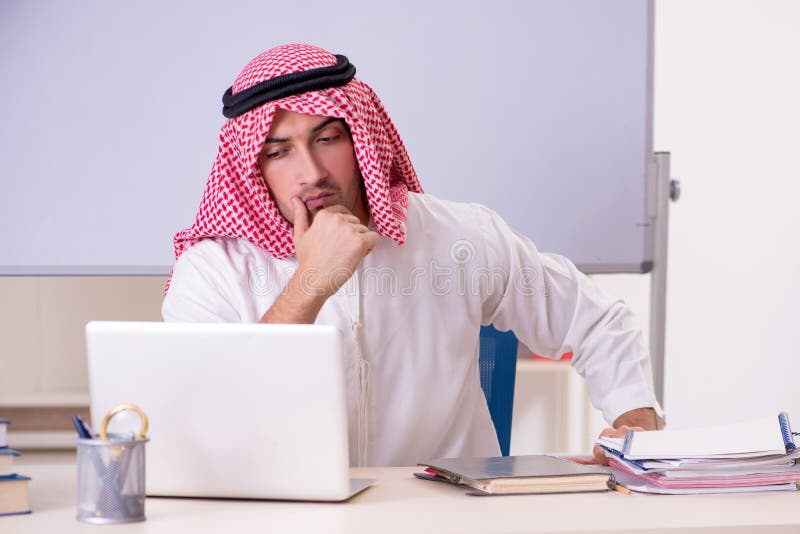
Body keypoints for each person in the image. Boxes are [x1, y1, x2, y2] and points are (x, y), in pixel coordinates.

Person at [162, 44, 663, 467]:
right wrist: (311, 281)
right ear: (253, 166)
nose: (311, 172)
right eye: (279, 151)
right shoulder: (212, 273)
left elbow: (594, 321)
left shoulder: (457, 237)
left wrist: (633, 423)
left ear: (359, 137)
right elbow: (207, 423)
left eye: (327, 138)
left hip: (445, 516)